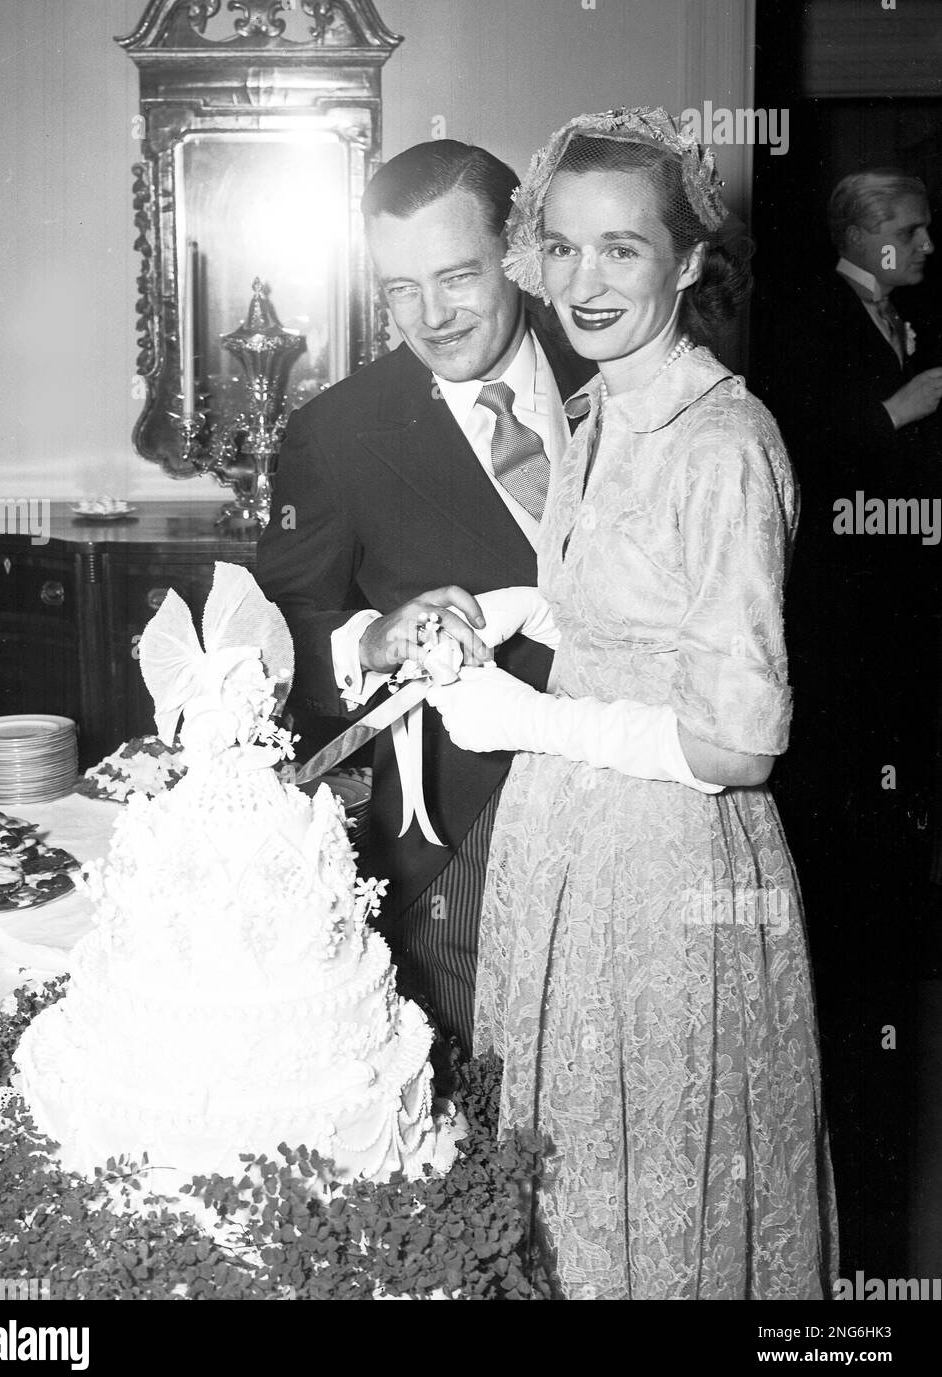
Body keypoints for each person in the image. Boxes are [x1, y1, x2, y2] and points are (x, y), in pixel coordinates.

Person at [428, 109, 837, 1299]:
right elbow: (629, 623)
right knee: (564, 1177)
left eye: (620, 249)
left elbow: (739, 737)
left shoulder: (723, 442)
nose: (581, 280)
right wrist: (518, 613)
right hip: (564, 844)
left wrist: (529, 719)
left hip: (667, 871)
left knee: (653, 1200)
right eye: (559, 248)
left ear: (689, 260)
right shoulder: (602, 406)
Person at [255, 141, 587, 1054]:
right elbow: (272, 634)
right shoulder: (337, 434)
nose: (431, 317)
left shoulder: (619, 367)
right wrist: (367, 639)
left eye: (457, 276)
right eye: (401, 288)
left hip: (643, 793)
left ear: (518, 253)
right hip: (465, 835)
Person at [757, 170, 940, 1273]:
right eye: (909, 228)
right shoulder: (803, 320)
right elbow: (799, 464)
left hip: (893, 616)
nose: (924, 241)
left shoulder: (899, 315)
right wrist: (897, 408)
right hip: (833, 629)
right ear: (864, 236)